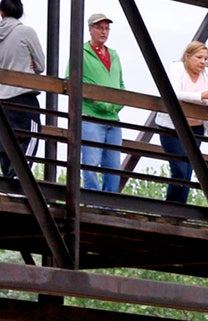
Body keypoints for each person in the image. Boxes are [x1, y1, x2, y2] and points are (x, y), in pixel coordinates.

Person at [151, 40, 208, 204]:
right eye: (199, 57)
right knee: (179, 169)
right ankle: (172, 207)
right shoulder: (176, 69)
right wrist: (201, 96)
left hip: (196, 128)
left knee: (189, 169)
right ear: (187, 56)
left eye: (205, 58)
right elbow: (174, 93)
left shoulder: (206, 74)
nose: (203, 62)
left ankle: (179, 210)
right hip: (172, 128)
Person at [0, 0, 45, 179]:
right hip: (24, 95)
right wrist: (29, 64)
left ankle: (9, 181)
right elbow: (41, 65)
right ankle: (20, 180)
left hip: (1, 96)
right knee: (31, 138)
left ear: (2, 12)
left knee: (6, 143)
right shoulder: (26, 32)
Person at [73, 11, 124, 192]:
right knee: (91, 163)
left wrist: (117, 105)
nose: (104, 32)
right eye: (100, 28)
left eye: (106, 28)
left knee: (113, 166)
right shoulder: (81, 51)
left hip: (113, 118)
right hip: (91, 115)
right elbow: (70, 79)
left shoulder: (114, 54)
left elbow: (121, 84)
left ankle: (110, 205)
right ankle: (92, 203)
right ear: (90, 29)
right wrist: (95, 100)